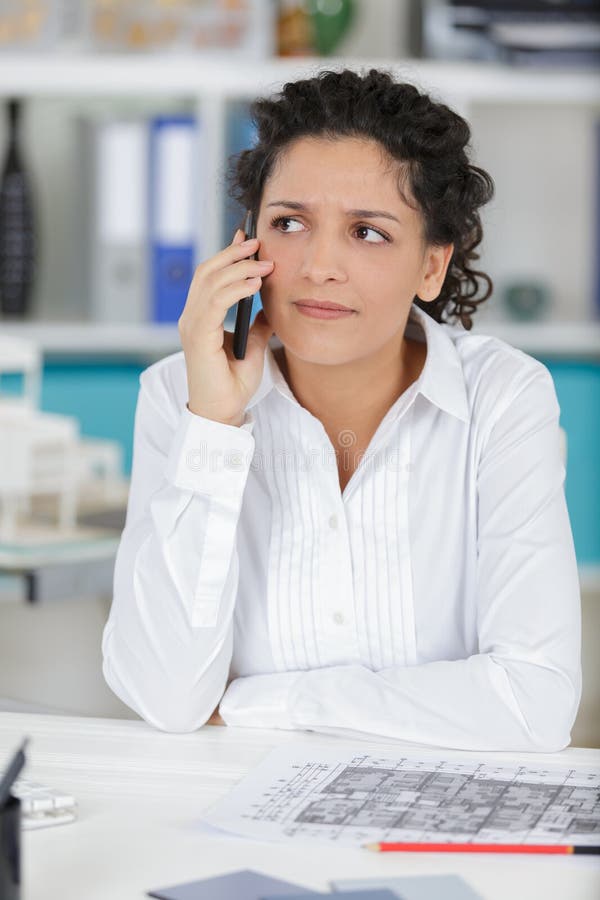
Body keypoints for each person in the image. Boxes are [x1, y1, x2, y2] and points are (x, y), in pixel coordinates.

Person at [102, 68, 581, 751]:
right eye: (289, 223)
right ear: (246, 242)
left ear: (432, 267)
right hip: (232, 808)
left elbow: (534, 702)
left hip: (439, 816)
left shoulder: (503, 399)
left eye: (369, 233)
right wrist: (212, 426)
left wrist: (256, 704)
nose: (318, 265)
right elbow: (167, 698)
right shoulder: (178, 394)